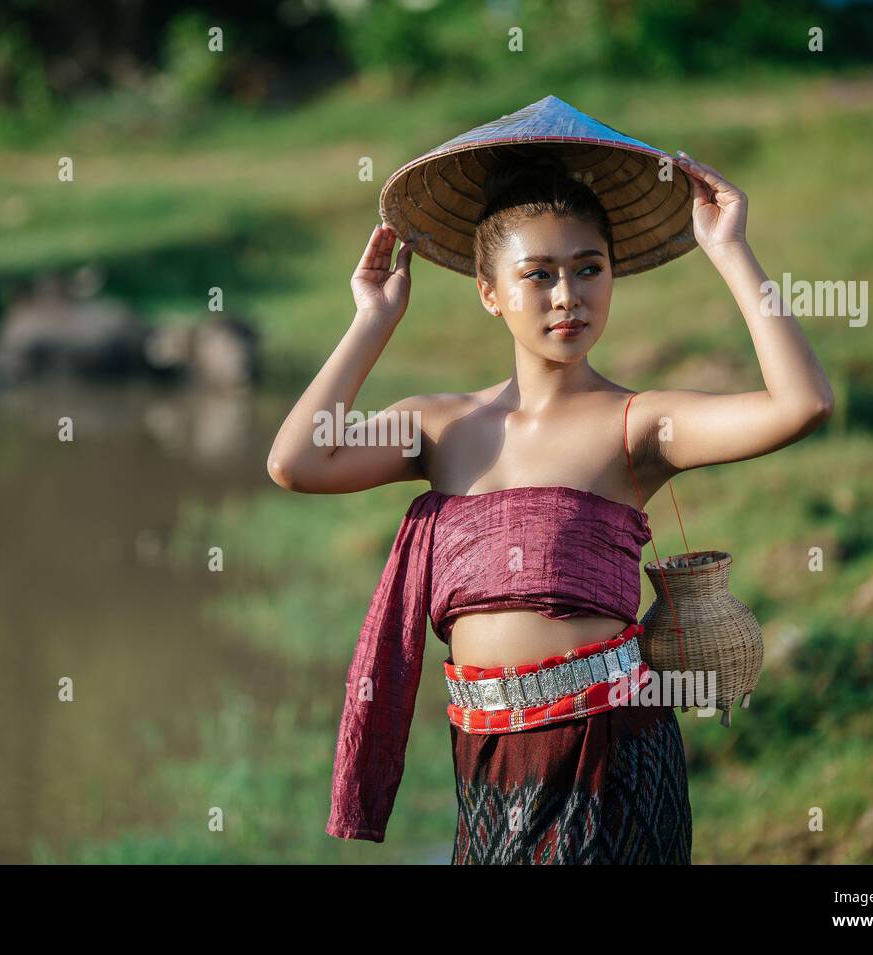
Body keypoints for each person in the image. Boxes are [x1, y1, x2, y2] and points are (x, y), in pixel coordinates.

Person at [267, 146, 833, 863]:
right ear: (488, 291)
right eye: (538, 275)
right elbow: (296, 460)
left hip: (610, 761)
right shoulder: (439, 427)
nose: (568, 295)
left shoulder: (637, 424)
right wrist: (371, 322)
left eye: (589, 268)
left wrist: (731, 251)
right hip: (487, 765)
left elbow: (803, 402)